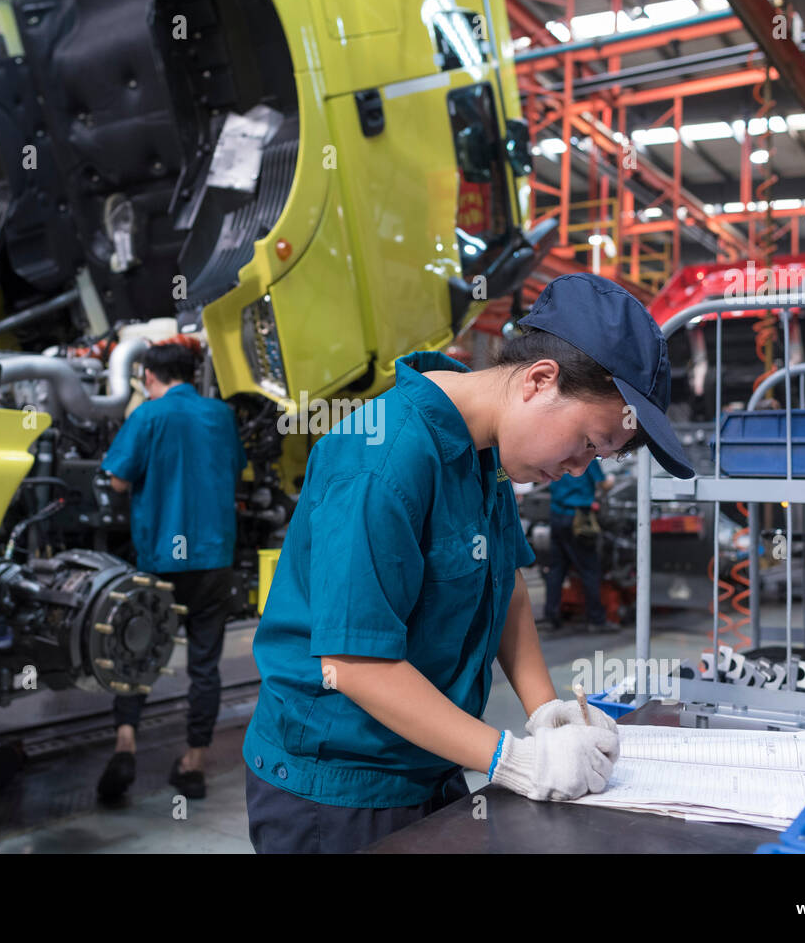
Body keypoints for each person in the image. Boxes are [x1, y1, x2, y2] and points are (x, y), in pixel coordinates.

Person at [242, 273, 696, 853]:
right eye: (588, 441)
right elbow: (354, 664)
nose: (581, 468)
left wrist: (547, 714)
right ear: (539, 380)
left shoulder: (487, 456)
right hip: (337, 788)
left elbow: (505, 587)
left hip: (430, 762)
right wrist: (512, 759)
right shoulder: (383, 456)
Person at [96, 340, 247, 802]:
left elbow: (118, 479)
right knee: (205, 664)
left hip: (161, 558)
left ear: (147, 377)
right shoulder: (220, 416)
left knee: (136, 650)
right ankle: (195, 762)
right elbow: (236, 470)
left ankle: (126, 744)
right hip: (213, 557)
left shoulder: (148, 414)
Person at [540, 460, 617, 633]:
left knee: (556, 570)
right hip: (578, 519)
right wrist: (612, 481)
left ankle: (551, 617)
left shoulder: (559, 452)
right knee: (590, 570)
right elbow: (603, 484)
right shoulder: (587, 456)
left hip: (556, 514)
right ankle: (596, 620)